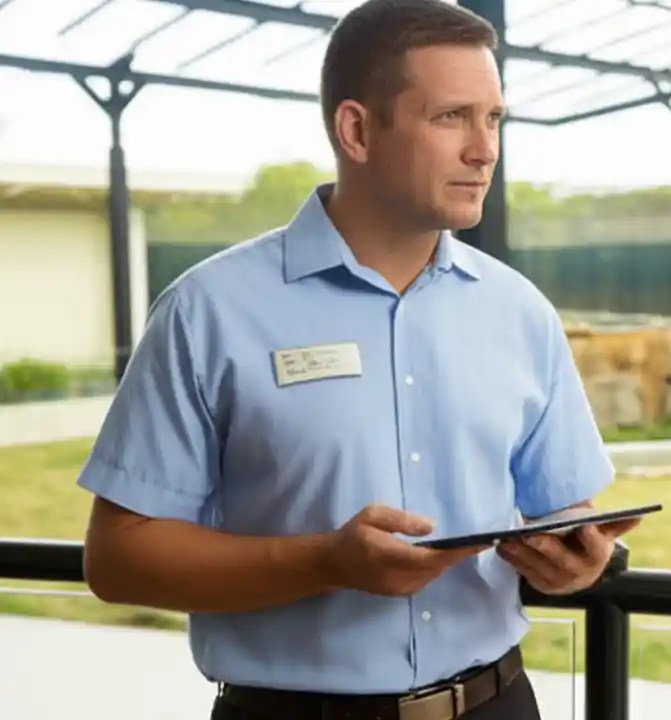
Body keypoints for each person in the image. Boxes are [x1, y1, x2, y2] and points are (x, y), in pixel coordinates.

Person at [76, 1, 640, 718]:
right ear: (357, 129)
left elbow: (564, 509)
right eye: (452, 117)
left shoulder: (519, 310)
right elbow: (118, 560)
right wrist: (325, 561)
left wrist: (576, 559)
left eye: (494, 119)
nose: (484, 149)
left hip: (500, 703)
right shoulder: (207, 312)